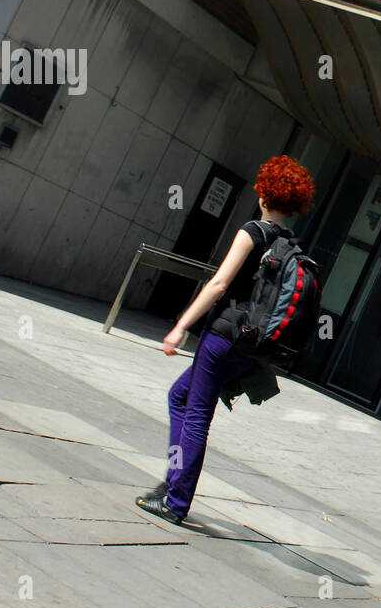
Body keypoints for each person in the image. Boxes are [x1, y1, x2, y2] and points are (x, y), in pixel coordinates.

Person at [135, 154, 316, 525]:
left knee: (197, 414)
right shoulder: (288, 244)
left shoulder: (253, 232)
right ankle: (171, 483)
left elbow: (218, 283)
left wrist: (181, 325)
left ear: (264, 194)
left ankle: (176, 500)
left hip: (223, 336)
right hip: (250, 347)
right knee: (180, 396)